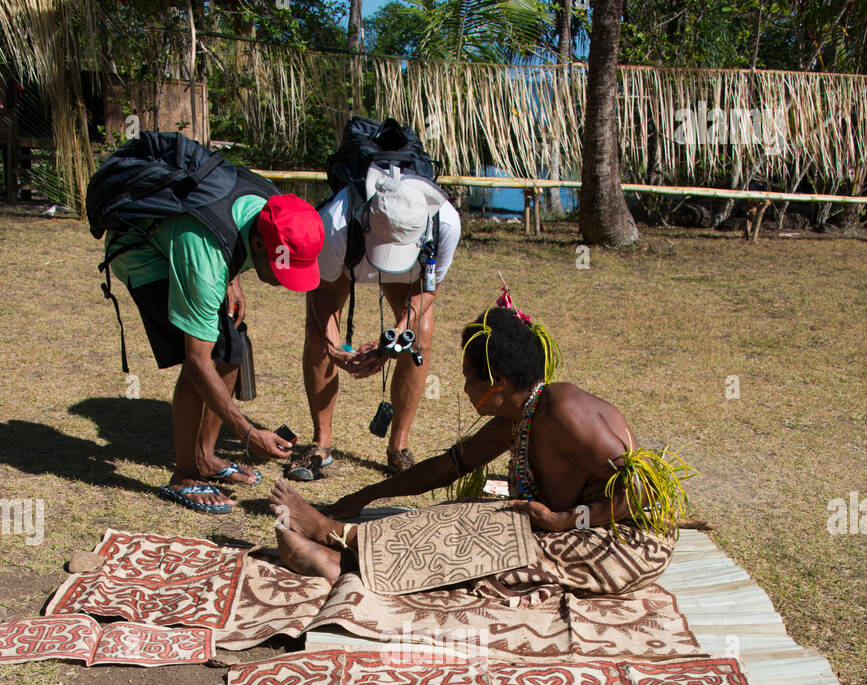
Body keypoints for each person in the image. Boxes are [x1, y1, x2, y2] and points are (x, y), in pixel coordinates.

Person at [267, 301, 693, 591]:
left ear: (499, 383)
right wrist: (364, 495)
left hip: (617, 540)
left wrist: (564, 520)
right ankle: (342, 541)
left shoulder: (566, 413)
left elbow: (641, 494)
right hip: (563, 524)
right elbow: (451, 465)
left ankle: (334, 552)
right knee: (457, 517)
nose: (465, 387)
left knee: (484, 545)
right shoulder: (521, 415)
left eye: (471, 377)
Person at [108, 189, 325, 514]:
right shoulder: (206, 264)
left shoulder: (273, 206)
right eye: (283, 270)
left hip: (196, 243)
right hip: (142, 251)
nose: (284, 283)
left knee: (229, 344)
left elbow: (226, 224)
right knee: (204, 356)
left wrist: (231, 275)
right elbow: (197, 363)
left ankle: (205, 457)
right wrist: (247, 432)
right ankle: (184, 475)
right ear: (256, 245)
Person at [296, 167, 461, 481]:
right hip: (347, 261)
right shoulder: (336, 223)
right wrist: (333, 346)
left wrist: (396, 336)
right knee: (318, 334)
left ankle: (399, 447)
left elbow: (428, 288)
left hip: (412, 272)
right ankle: (321, 443)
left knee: (419, 337)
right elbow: (323, 288)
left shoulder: (446, 223)